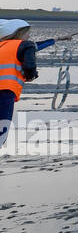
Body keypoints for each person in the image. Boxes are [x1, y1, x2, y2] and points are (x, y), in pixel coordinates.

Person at [0, 19, 38, 152]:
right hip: (6, 91)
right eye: (27, 33)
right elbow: (29, 66)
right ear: (20, 33)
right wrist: (31, 75)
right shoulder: (26, 45)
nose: (29, 36)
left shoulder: (2, 45)